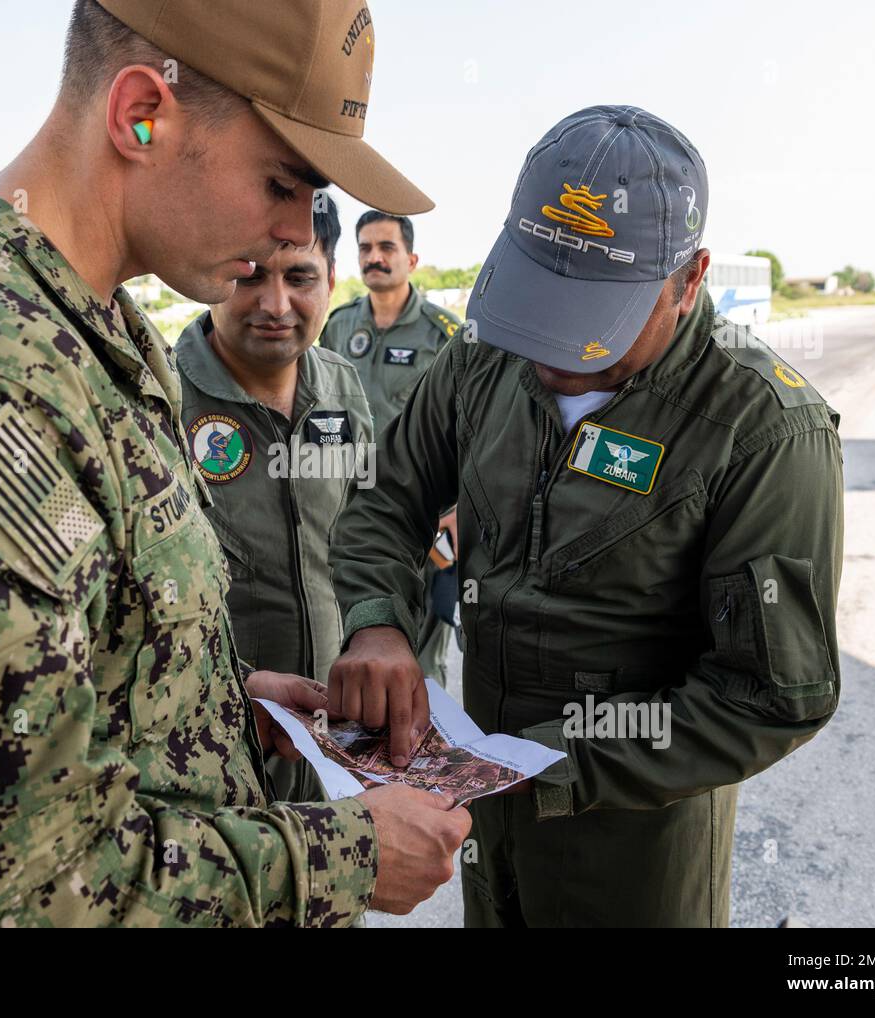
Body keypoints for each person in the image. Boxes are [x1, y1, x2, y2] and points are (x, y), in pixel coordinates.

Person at [0, 0, 469, 928]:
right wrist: (342, 860)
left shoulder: (88, 327)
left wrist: (212, 705)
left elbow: (73, 669)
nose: (291, 234)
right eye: (282, 182)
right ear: (141, 114)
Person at [327, 105, 844, 927]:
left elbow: (771, 694)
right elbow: (387, 500)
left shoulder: (762, 428)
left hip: (633, 853)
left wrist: (558, 770)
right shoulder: (481, 358)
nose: (554, 349)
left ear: (691, 278)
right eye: (539, 301)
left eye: (592, 322)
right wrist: (375, 624)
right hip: (486, 817)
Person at [175, 194, 371, 802]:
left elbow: (371, 539)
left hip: (338, 747)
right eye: (251, 274)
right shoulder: (156, 397)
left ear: (332, 280)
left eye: (300, 276)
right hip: (212, 755)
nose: (275, 304)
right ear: (215, 275)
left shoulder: (341, 384)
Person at [320, 211, 461, 685]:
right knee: (358, 641)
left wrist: (457, 508)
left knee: (423, 657)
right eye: (365, 248)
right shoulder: (337, 327)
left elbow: (469, 431)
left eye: (386, 248)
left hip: (422, 520)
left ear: (412, 258)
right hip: (349, 518)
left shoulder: (446, 336)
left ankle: (433, 753)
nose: (374, 258)